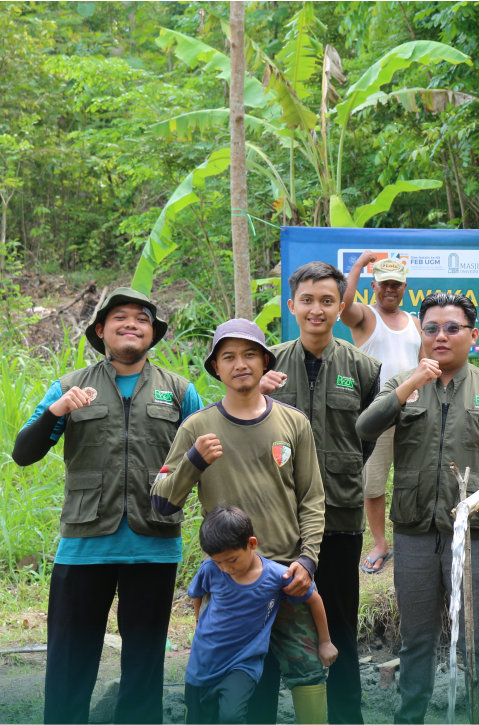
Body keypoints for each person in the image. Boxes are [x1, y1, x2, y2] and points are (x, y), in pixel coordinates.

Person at [12, 287, 202, 724]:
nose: (130, 323)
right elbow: (24, 453)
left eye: (141, 318)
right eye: (119, 317)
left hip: (153, 545)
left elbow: (208, 454)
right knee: (69, 664)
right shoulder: (69, 387)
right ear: (101, 330)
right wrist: (56, 410)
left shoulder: (179, 391)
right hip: (84, 546)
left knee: (144, 665)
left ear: (152, 333)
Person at [355, 292, 479, 724]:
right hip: (414, 535)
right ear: (420, 334)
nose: (441, 336)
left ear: (472, 335)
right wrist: (408, 386)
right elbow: (364, 427)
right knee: (417, 640)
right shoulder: (403, 383)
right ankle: (410, 718)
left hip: (477, 537)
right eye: (431, 328)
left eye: (452, 328)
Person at [150, 318, 330, 724]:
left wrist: (308, 560)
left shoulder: (293, 422)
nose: (240, 364)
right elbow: (161, 504)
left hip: (286, 573)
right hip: (230, 580)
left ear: (266, 361)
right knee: (230, 683)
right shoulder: (196, 428)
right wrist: (194, 462)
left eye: (250, 354)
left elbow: (313, 499)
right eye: (228, 356)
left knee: (305, 671)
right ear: (216, 367)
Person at [261, 260, 382, 723]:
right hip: (276, 518)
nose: (317, 309)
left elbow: (366, 435)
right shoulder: (266, 362)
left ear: (341, 306)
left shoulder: (364, 368)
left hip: (340, 517)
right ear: (291, 306)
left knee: (340, 624)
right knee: (267, 623)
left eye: (327, 301)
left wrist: (342, 469)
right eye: (307, 300)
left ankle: (345, 717)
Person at [185, 505, 338, 725]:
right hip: (204, 659)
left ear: (252, 544)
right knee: (198, 717)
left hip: (242, 662)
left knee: (232, 716)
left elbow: (313, 598)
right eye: (220, 562)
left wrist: (325, 641)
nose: (226, 568)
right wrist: (199, 621)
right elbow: (197, 592)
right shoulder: (211, 569)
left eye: (232, 560)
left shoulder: (276, 575)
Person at [342, 252, 422, 575]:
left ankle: (412, 539)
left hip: (414, 413)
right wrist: (359, 265)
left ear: (404, 288)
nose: (390, 289)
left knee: (415, 478)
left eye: (397, 284)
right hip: (375, 412)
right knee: (373, 484)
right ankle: (379, 544)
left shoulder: (415, 322)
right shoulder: (364, 317)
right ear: (373, 286)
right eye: (384, 284)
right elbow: (342, 307)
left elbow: (427, 364)